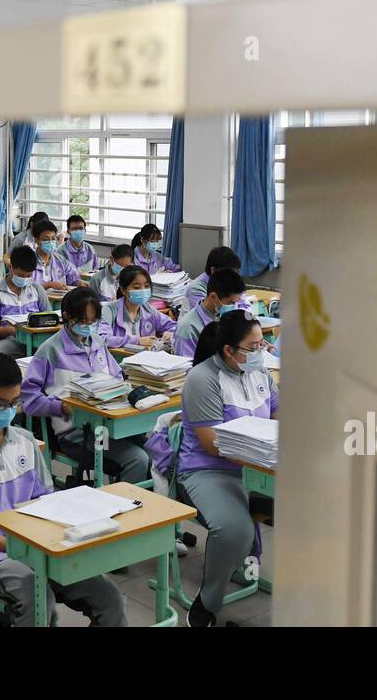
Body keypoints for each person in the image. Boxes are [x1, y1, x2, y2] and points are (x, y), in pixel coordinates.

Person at [0, 354, 128, 627]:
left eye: (14, 403)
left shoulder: (27, 443)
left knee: (110, 598)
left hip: (42, 547)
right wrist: (16, 545)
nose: (7, 411)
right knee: (40, 600)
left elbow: (46, 503)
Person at [178, 312, 279, 627]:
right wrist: (264, 455)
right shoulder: (202, 378)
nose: (261, 351)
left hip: (260, 465)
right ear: (228, 350)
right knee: (235, 529)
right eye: (253, 346)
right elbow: (212, 444)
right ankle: (207, 601)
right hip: (208, 471)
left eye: (262, 342)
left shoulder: (258, 370)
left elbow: (277, 410)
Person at [20, 288, 150, 485]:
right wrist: (60, 407)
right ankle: (125, 508)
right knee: (137, 460)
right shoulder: (50, 350)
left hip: (109, 424)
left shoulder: (97, 342)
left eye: (93, 322)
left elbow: (118, 378)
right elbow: (29, 399)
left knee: (157, 452)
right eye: (83, 322)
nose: (88, 326)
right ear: (66, 317)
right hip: (78, 433)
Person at [0, 245, 51, 356]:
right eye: (20, 275)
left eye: (28, 275)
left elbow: (49, 319)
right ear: (11, 268)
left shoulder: (37, 289)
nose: (25, 279)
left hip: (36, 339)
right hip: (11, 340)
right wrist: (15, 331)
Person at [173, 268, 247, 357]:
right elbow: (186, 367)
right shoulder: (188, 328)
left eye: (237, 302)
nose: (235, 306)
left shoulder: (225, 317)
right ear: (213, 297)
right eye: (231, 302)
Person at [99, 265, 176, 350]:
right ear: (123, 290)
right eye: (136, 287)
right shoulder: (109, 310)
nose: (143, 290)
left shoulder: (148, 310)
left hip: (146, 360)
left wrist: (170, 334)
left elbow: (175, 327)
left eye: (146, 286)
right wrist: (137, 341)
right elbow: (102, 339)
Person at [184, 246, 252, 311]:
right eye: (229, 274)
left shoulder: (232, 282)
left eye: (236, 273)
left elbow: (246, 306)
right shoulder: (196, 289)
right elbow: (209, 315)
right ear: (213, 270)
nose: (233, 277)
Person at [29, 218, 81, 291]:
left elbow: (72, 275)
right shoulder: (28, 261)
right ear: (36, 240)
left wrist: (79, 282)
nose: (50, 242)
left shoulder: (59, 260)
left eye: (53, 238)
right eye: (46, 239)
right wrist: (48, 285)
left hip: (59, 301)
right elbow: (26, 288)